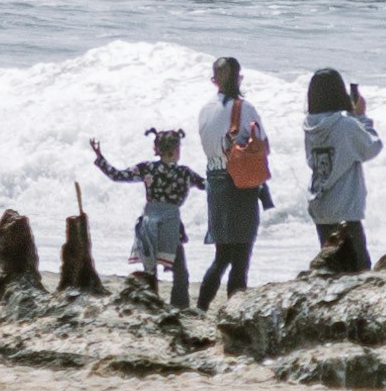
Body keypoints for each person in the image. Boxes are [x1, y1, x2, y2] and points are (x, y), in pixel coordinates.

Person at [90, 124, 203, 307]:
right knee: (180, 272)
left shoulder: (147, 168)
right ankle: (180, 308)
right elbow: (207, 185)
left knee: (150, 271)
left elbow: (118, 175)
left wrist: (100, 158)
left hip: (149, 224)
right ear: (175, 149)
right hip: (170, 226)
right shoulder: (184, 173)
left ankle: (152, 306)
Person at [196, 56, 270, 304]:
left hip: (215, 181)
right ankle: (234, 310)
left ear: (214, 80)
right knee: (241, 257)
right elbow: (263, 144)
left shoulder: (205, 109)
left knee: (222, 255)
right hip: (240, 184)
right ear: (238, 78)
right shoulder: (245, 108)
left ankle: (201, 308)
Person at [301, 67, 381, 275]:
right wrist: (362, 117)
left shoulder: (310, 124)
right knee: (360, 271)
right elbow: (372, 147)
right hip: (344, 208)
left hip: (320, 205)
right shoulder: (345, 124)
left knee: (331, 269)